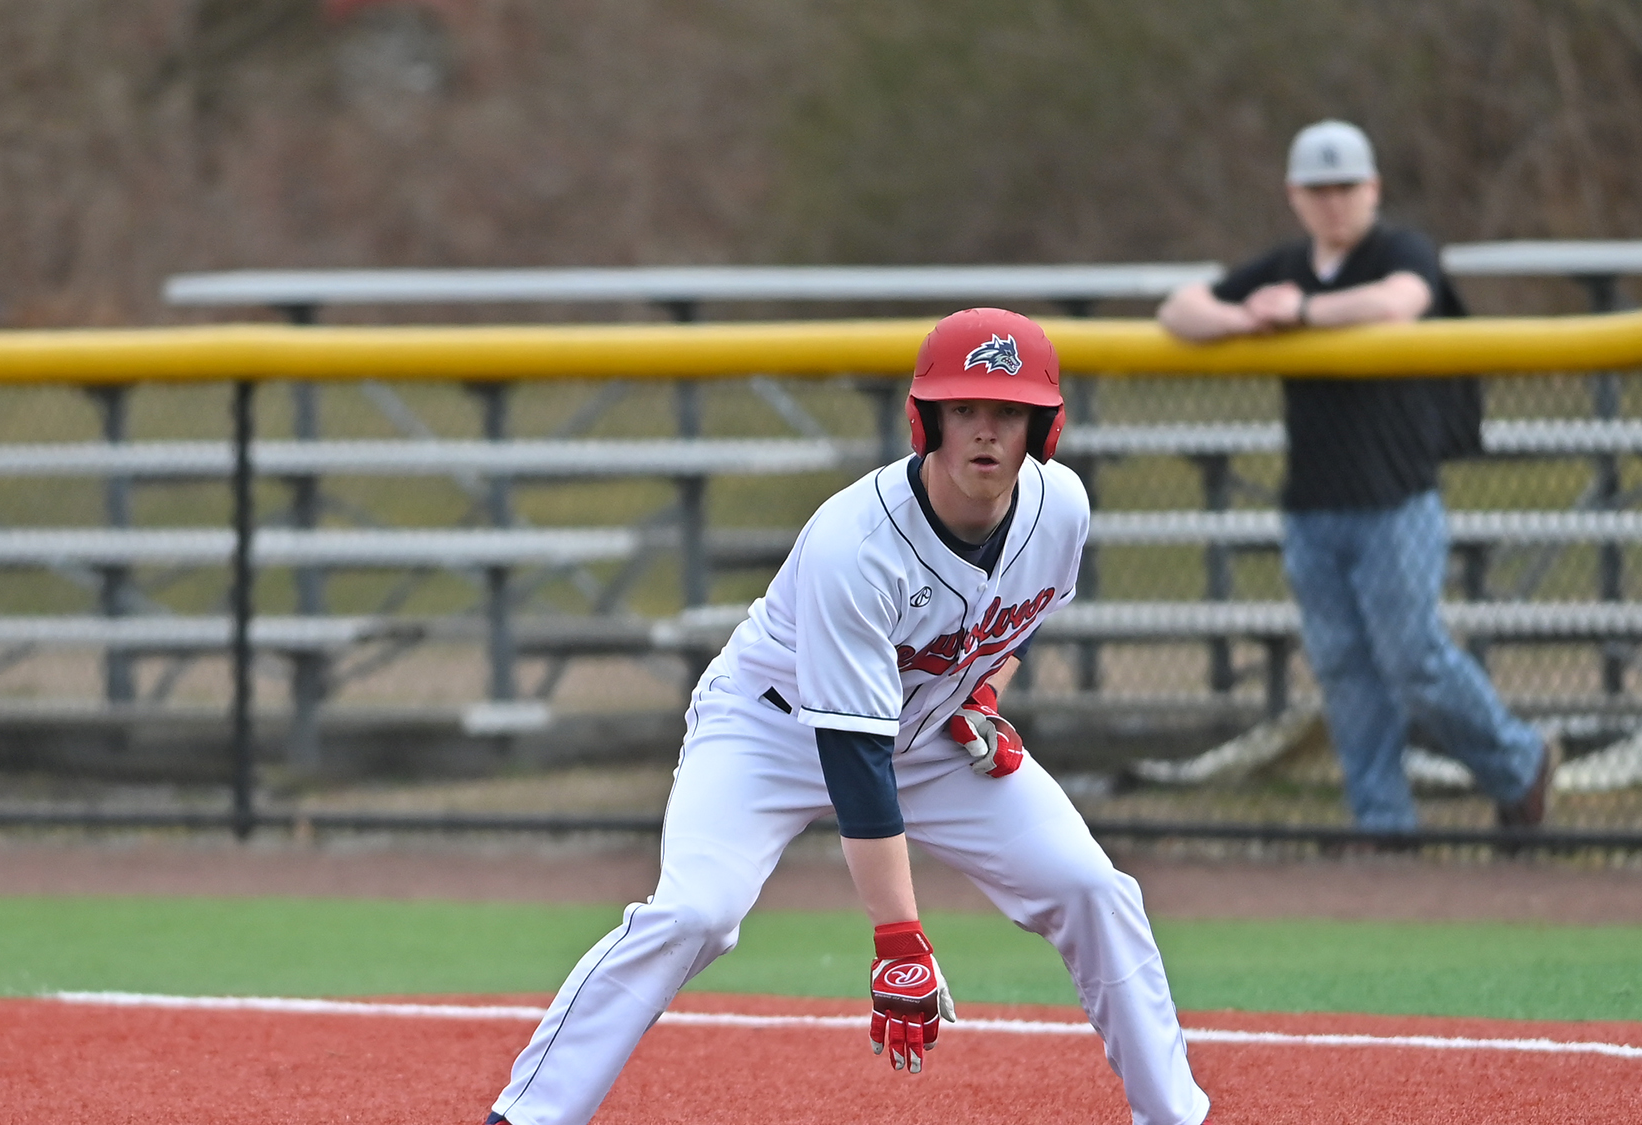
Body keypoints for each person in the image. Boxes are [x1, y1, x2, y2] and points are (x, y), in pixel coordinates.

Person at [483, 308, 1212, 1125]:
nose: (984, 431)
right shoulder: (856, 543)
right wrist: (898, 935)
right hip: (769, 730)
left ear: (1043, 427)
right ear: (924, 419)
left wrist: (982, 692)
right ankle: (529, 1114)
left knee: (1092, 889)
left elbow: (1014, 622)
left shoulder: (1062, 508)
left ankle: (1174, 1117)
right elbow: (853, 756)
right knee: (696, 912)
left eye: (1006, 412)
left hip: (926, 733)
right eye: (962, 408)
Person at [1156, 119, 1552, 834]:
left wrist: (1302, 312)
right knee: (1343, 668)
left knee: (1413, 658)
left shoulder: (1398, 249)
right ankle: (1383, 826)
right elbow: (1179, 307)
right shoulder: (1285, 264)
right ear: (1294, 196)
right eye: (1318, 190)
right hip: (1312, 501)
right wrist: (1243, 317)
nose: (1333, 203)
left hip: (1395, 496)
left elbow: (1401, 301)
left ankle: (1519, 765)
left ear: (1372, 189)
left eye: (1345, 188)